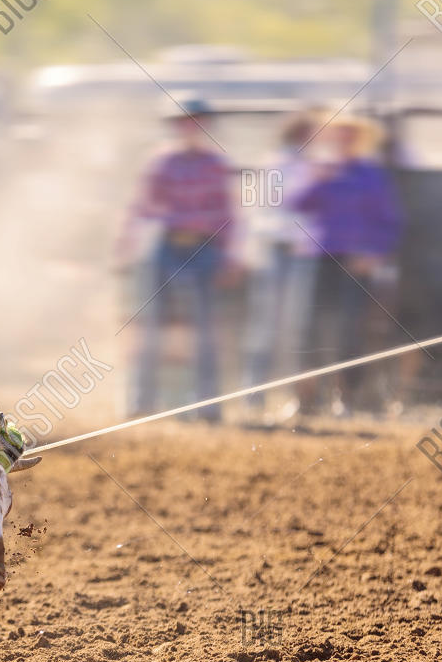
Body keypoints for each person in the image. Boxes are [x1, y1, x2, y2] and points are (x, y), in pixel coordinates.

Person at [115, 98, 242, 421]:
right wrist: (126, 245)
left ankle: (208, 403)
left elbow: (228, 214)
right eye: (184, 122)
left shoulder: (215, 164)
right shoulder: (161, 162)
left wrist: (230, 254)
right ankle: (140, 401)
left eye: (196, 122)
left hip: (204, 248)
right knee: (151, 326)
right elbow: (140, 208)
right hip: (165, 247)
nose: (190, 128)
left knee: (204, 328)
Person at [293, 115, 403, 415]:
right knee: (310, 329)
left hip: (355, 262)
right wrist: (317, 180)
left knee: (350, 330)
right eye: (339, 134)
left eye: (349, 135)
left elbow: (387, 222)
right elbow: (297, 203)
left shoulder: (370, 175)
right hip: (320, 257)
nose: (343, 140)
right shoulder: (322, 171)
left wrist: (373, 253)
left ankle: (346, 398)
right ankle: (306, 399)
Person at [243, 109, 321, 420]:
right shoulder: (275, 164)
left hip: (298, 252)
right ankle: (255, 396)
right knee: (269, 326)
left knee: (291, 328)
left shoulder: (306, 166)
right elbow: (262, 211)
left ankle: (285, 397)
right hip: (278, 249)